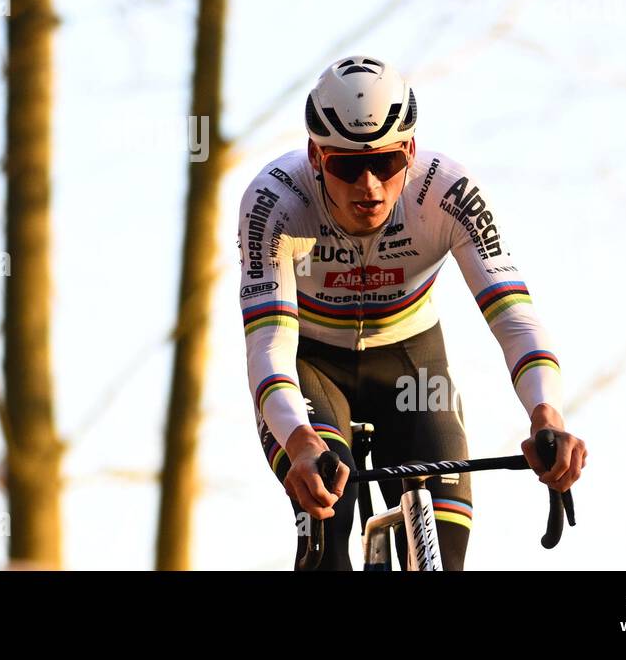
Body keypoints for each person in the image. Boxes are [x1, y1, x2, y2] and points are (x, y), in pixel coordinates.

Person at [237, 55, 587, 570]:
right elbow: (268, 346)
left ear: (411, 150)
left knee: (443, 552)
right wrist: (299, 440)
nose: (369, 186)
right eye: (347, 165)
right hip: (310, 367)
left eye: (386, 163)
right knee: (328, 513)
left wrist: (545, 414)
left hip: (410, 366)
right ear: (315, 155)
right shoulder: (275, 203)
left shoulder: (445, 193)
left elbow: (514, 317)